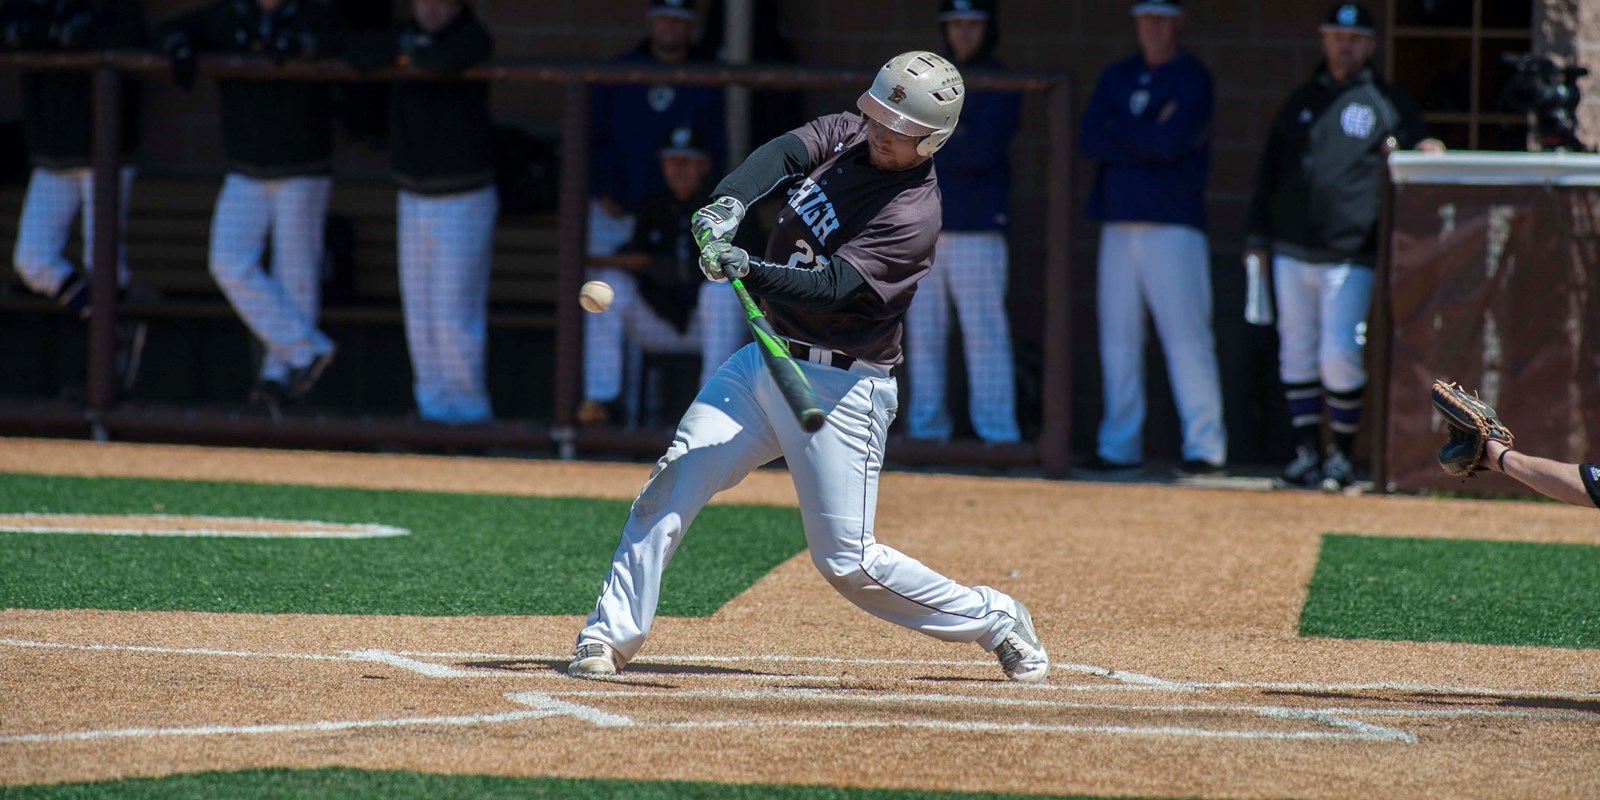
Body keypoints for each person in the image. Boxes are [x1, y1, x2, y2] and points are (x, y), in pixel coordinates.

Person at [568, 51, 1050, 685]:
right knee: (674, 478)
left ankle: (997, 618)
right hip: (764, 363)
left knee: (848, 563)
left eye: (897, 130)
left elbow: (831, 287)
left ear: (930, 141)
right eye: (878, 115)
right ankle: (607, 639)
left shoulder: (912, 215)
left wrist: (748, 268)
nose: (879, 131)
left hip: (842, 388)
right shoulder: (852, 134)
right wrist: (726, 207)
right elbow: (782, 154)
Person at [1244, 3, 1445, 491]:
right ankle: (1306, 453)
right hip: (1291, 247)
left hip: (1350, 250)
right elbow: (1269, 173)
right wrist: (1258, 239)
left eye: (1354, 38)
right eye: (1336, 36)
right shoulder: (1301, 100)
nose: (1344, 45)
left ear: (1371, 45)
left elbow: (1424, 146)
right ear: (1323, 40)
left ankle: (1341, 456)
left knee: (1339, 350)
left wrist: (1427, 149)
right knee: (1295, 349)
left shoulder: (1386, 102)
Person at [159, 0, 342, 410]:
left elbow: (349, 41)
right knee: (227, 259)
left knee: (296, 273)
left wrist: (304, 45)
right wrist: (180, 47)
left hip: (302, 165)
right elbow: (171, 28)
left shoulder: (315, 13)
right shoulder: (230, 15)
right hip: (246, 166)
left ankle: (278, 377)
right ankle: (305, 351)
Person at [1079, 0, 1225, 476]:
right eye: (1145, 18)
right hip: (1118, 223)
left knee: (1186, 338)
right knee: (1117, 338)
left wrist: (1123, 133)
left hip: (1174, 225)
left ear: (1178, 22)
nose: (1153, 28)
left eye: (1162, 18)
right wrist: (1145, 133)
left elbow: (1171, 142)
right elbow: (1089, 137)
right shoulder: (1117, 75)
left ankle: (1205, 446)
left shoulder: (1193, 77)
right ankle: (1119, 445)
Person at [348, 0, 497, 425]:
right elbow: (357, 53)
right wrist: (406, 46)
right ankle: (432, 413)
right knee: (421, 318)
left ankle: (469, 417)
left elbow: (442, 59)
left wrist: (407, 50)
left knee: (454, 316)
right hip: (413, 197)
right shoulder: (399, 31)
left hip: (463, 199)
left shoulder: (471, 34)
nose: (430, 9)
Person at [1, 0, 148, 392]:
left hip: (105, 151)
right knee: (32, 258)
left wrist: (86, 33)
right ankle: (114, 331)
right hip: (52, 149)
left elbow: (137, 38)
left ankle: (107, 374)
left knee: (102, 261)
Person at [903, 0, 1022, 445]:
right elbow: (908, 143)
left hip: (979, 228)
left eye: (973, 24)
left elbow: (981, 151)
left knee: (984, 335)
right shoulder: (929, 78)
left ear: (987, 28)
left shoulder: (1000, 77)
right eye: (956, 25)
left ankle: (999, 437)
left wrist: (934, 141)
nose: (964, 33)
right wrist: (952, 138)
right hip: (928, 225)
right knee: (924, 334)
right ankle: (926, 432)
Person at [577, 125, 748, 428]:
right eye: (672, 161)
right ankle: (601, 403)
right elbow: (632, 257)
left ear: (704, 165)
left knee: (719, 292)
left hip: (710, 328)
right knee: (609, 284)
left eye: (687, 161)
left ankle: (709, 410)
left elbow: (751, 266)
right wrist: (645, 263)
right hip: (658, 324)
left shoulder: (726, 206)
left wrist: (659, 265)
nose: (678, 169)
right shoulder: (654, 205)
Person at [587, 0, 725, 259]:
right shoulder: (619, 71)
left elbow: (717, 148)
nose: (670, 26)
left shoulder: (708, 76)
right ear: (650, 20)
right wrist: (602, 188)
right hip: (617, 208)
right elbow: (593, 137)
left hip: (677, 218)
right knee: (606, 291)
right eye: (664, 18)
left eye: (678, 19)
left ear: (690, 24)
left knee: (688, 291)